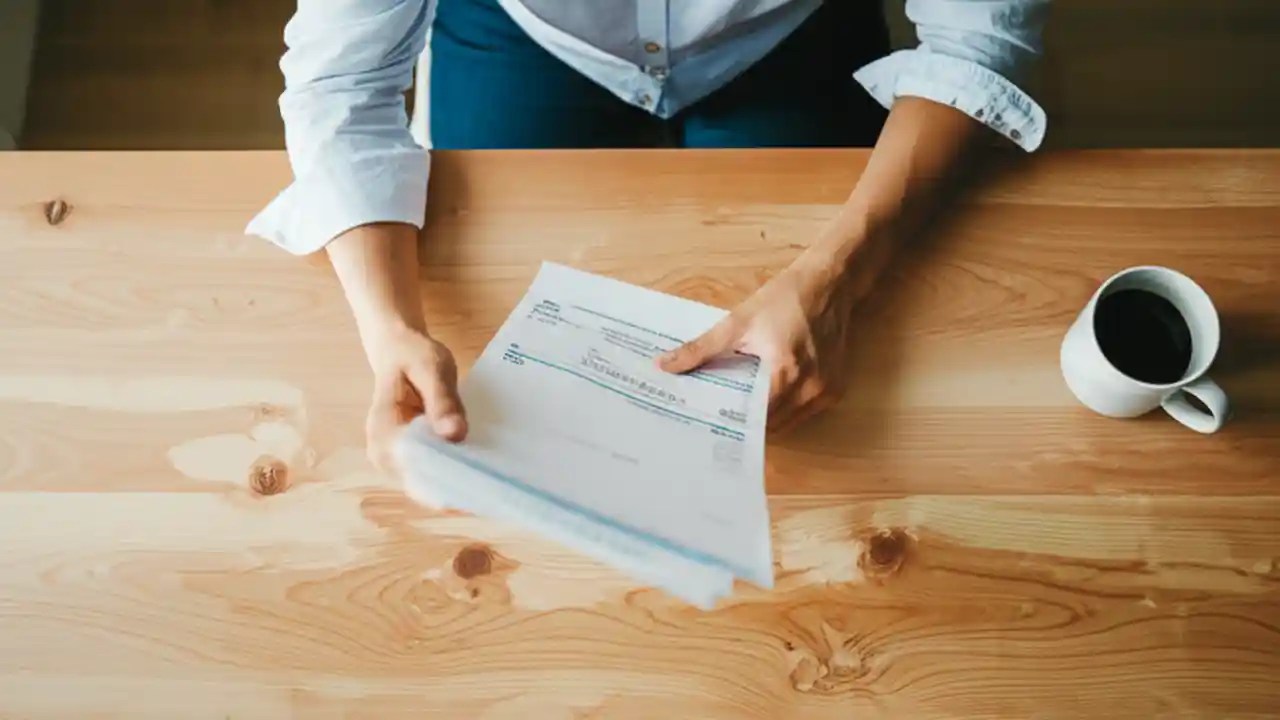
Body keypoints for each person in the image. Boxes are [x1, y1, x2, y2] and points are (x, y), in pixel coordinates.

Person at [248, 0, 1049, 470]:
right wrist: (390, 329)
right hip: (521, 34)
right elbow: (342, 82)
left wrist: (837, 274)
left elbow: (977, 36)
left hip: (788, 33)